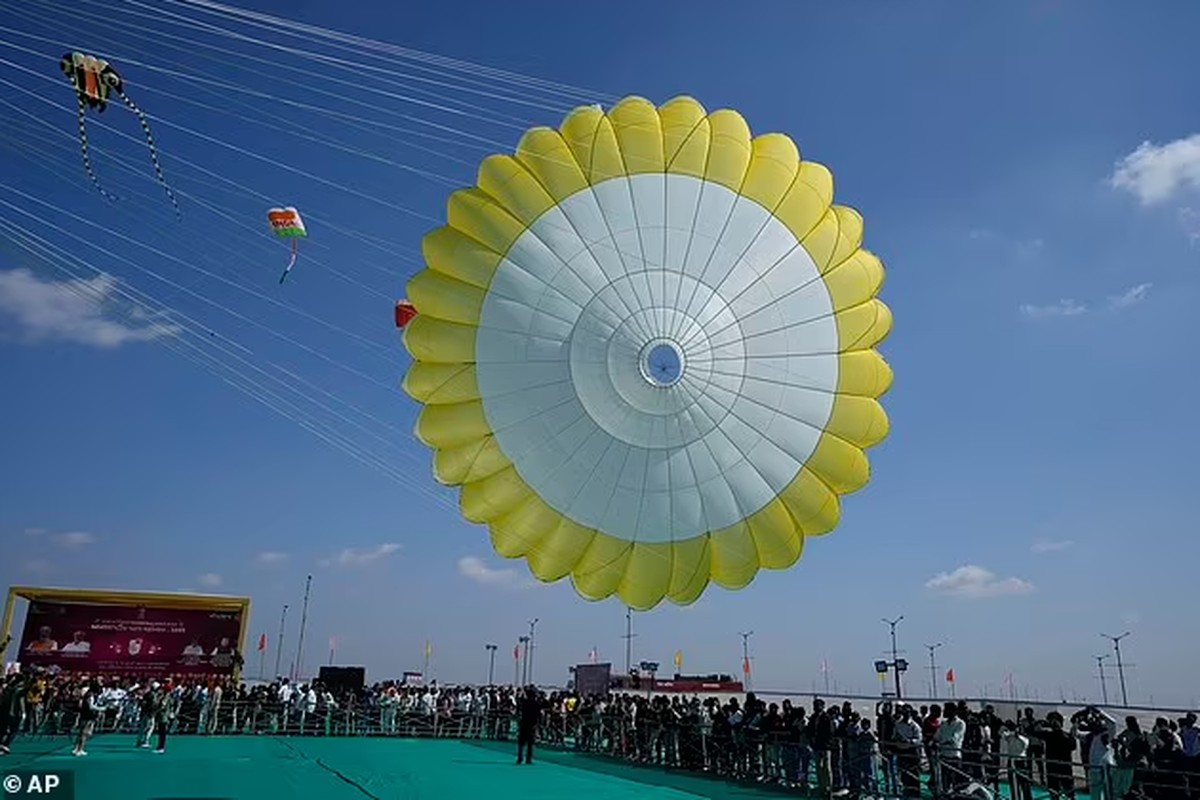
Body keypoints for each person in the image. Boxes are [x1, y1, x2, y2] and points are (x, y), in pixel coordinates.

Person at [516, 685, 541, 765]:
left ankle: (520, 758)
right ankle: (529, 758)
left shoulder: (524, 702)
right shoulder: (536, 703)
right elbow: (538, 715)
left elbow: (519, 700)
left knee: (521, 741)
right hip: (532, 724)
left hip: (524, 722)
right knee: (530, 742)